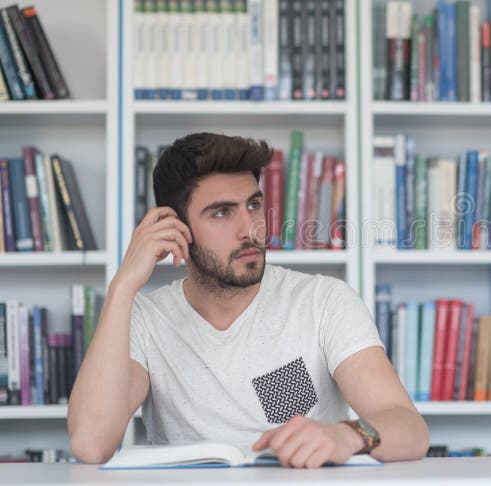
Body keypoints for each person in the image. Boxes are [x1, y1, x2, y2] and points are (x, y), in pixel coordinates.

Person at [67, 132, 429, 467]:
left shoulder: (323, 301)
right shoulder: (145, 319)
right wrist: (122, 287)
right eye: (222, 213)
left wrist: (347, 436)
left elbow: (410, 430)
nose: (250, 229)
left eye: (253, 206)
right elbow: (91, 443)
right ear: (176, 229)